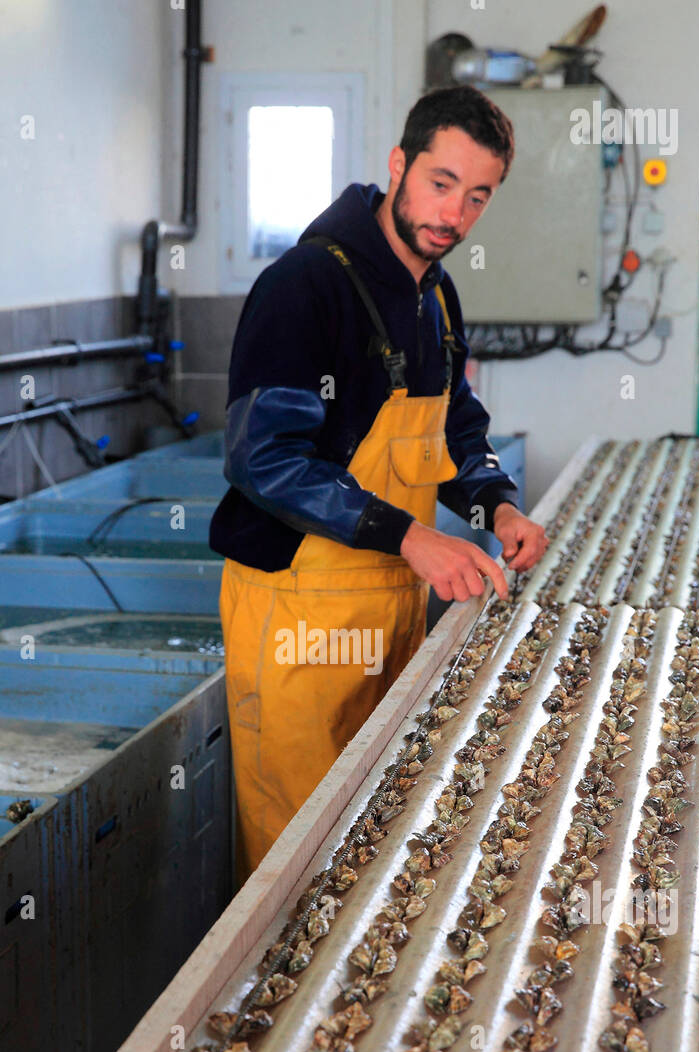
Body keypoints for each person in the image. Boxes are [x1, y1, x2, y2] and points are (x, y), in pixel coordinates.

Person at [209, 84, 548, 882]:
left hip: (390, 608)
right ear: (398, 165)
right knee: (299, 875)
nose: (453, 215)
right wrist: (410, 534)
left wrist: (492, 501)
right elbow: (263, 460)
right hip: (299, 624)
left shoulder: (434, 293)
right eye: (439, 183)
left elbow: (455, 420)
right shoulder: (305, 285)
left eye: (477, 196)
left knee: (368, 854)